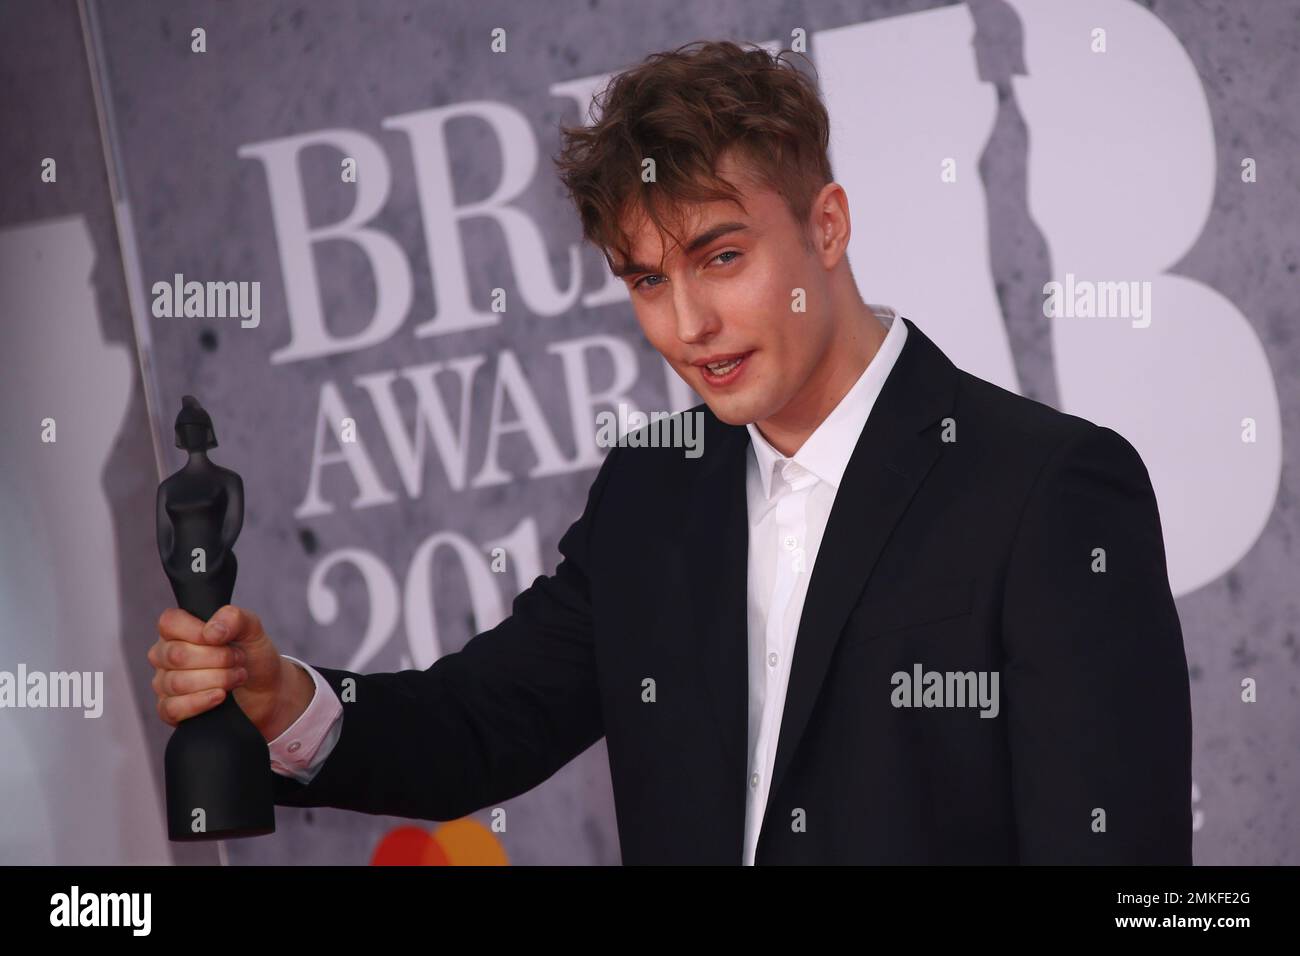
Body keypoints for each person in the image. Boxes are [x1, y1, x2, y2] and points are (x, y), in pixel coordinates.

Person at [149, 40, 1192, 864]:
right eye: (646, 279)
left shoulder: (1045, 488)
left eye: (720, 256)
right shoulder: (652, 493)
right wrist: (284, 695)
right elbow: (476, 724)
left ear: (825, 227)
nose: (689, 322)